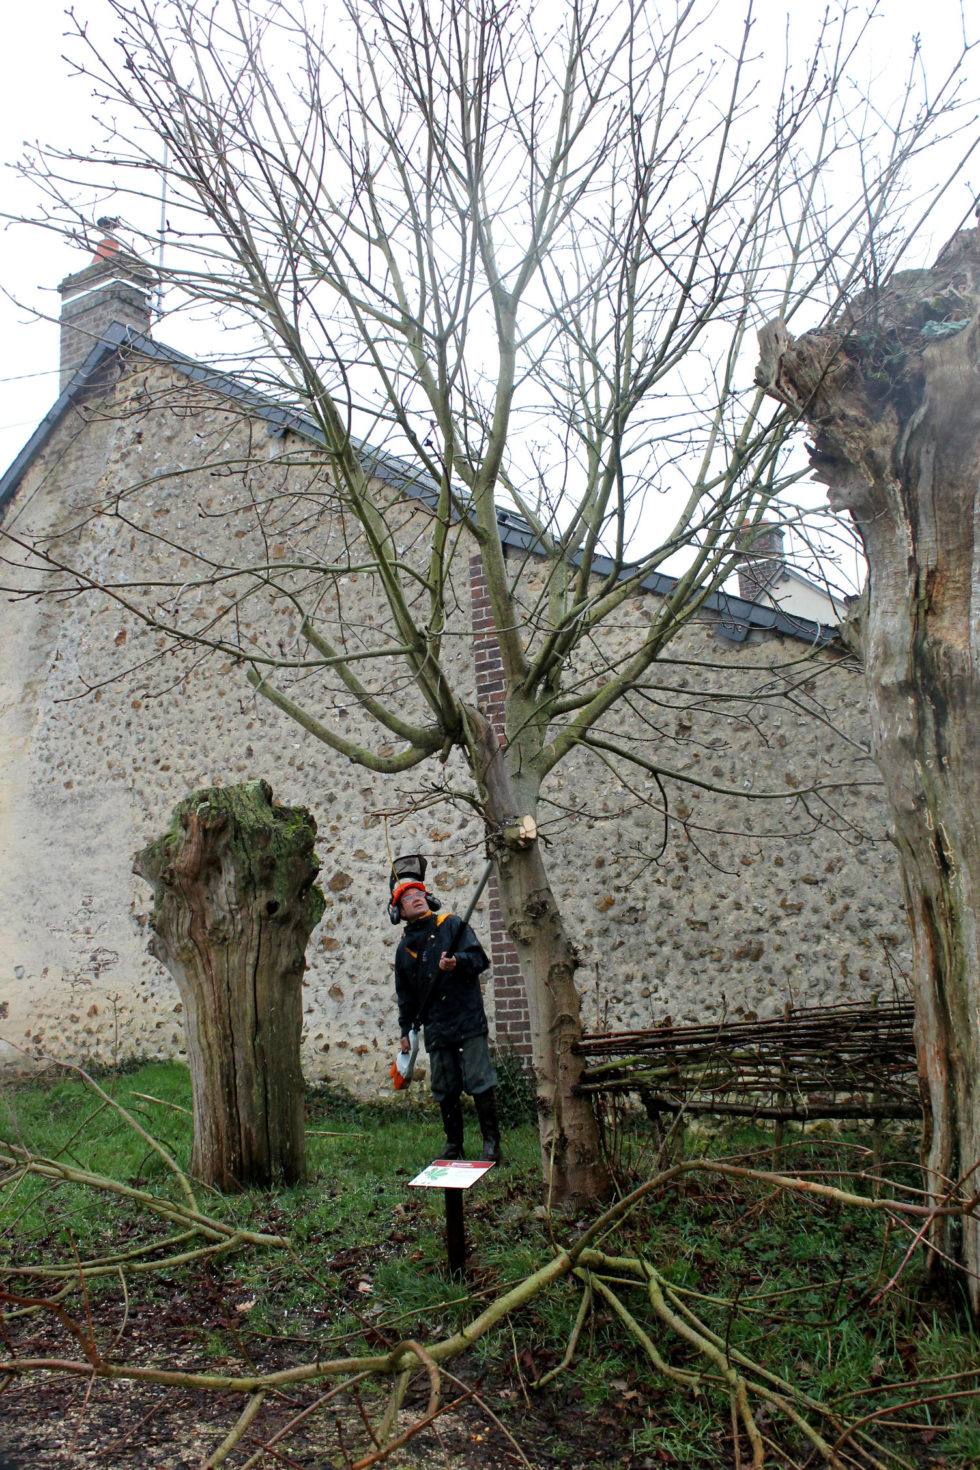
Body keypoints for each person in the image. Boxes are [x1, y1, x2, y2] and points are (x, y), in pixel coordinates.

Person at [391, 868, 502, 1163]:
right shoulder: (405, 951)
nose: (416, 899)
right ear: (399, 913)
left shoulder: (452, 925)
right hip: (436, 1025)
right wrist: (406, 1030)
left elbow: (479, 960)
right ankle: (454, 1145)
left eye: (419, 894)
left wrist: (457, 962)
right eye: (408, 898)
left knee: (479, 1080)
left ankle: (491, 1144)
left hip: (466, 1017)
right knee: (445, 1087)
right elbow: (406, 997)